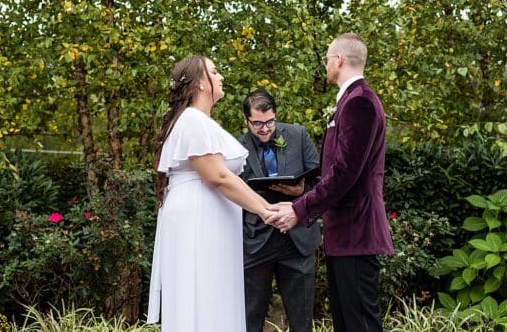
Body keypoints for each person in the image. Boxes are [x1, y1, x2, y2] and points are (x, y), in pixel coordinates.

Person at [272, 33, 394, 332]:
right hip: (346, 233)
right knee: (346, 323)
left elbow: (345, 173)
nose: (326, 65)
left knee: (360, 323)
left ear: (338, 60)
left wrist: (300, 209)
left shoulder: (360, 102)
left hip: (357, 231)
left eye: (328, 58)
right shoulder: (351, 101)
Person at [147, 56, 278, 332]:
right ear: (200, 84)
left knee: (212, 293)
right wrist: (265, 210)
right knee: (202, 294)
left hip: (206, 221)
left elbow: (224, 177)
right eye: (214, 72)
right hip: (197, 223)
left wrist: (263, 206)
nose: (220, 77)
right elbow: (218, 176)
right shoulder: (193, 121)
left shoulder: (200, 121)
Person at [237, 89, 321, 332]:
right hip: (256, 242)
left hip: (297, 241)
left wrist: (300, 195)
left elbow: (323, 183)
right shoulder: (236, 147)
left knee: (302, 321)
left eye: (270, 122)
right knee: (250, 318)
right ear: (246, 120)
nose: (265, 129)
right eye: (257, 124)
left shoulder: (298, 135)